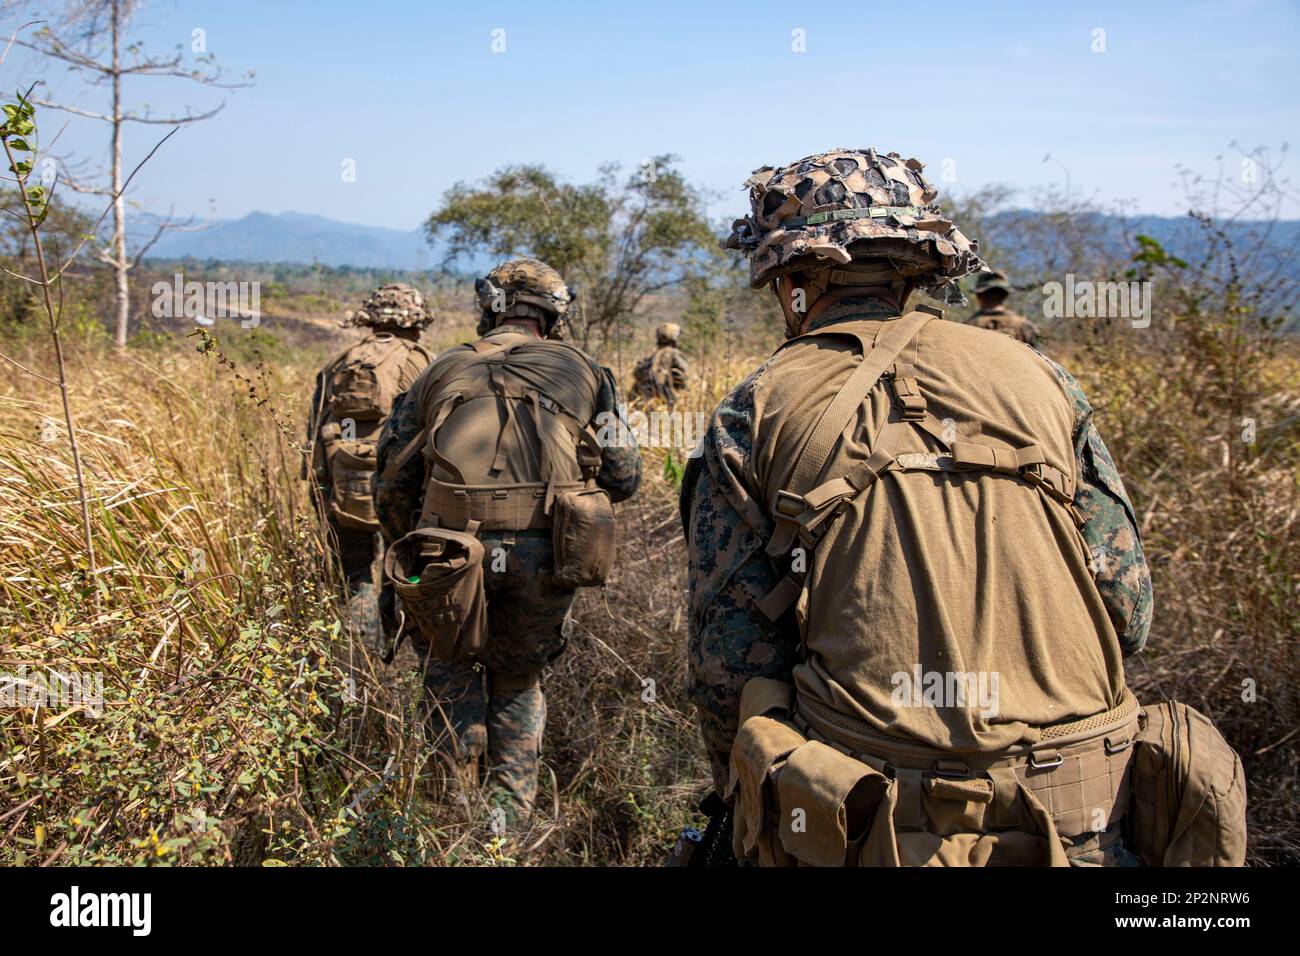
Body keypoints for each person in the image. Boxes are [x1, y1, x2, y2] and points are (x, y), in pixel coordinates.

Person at [684, 148, 1157, 866]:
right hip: (1082, 818)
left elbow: (729, 666)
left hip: (868, 822)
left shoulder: (755, 406)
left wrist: (748, 781)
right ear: (919, 265)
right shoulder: (1043, 379)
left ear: (793, 280)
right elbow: (1130, 612)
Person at [374, 258, 642, 828]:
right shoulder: (589, 373)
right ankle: (505, 829)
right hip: (543, 556)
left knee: (448, 670)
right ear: (554, 315)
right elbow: (626, 476)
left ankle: (446, 819)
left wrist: (406, 550)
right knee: (518, 681)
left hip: (444, 552)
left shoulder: (441, 370)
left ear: (489, 306)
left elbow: (392, 479)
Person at [307, 283, 434, 654]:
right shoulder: (420, 361)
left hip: (341, 486)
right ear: (416, 322)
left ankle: (360, 665)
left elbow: (315, 432)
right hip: (401, 489)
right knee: (408, 571)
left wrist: (323, 485)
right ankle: (407, 658)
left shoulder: (339, 362)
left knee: (355, 576)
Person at [968, 269, 1040, 347]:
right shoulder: (1025, 327)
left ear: (978, 295)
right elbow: (1039, 358)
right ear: (1005, 295)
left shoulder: (965, 328)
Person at [631, 322, 690, 404]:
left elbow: (637, 373)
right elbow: (682, 376)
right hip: (667, 399)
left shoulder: (652, 353)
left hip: (644, 399)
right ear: (673, 338)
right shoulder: (673, 353)